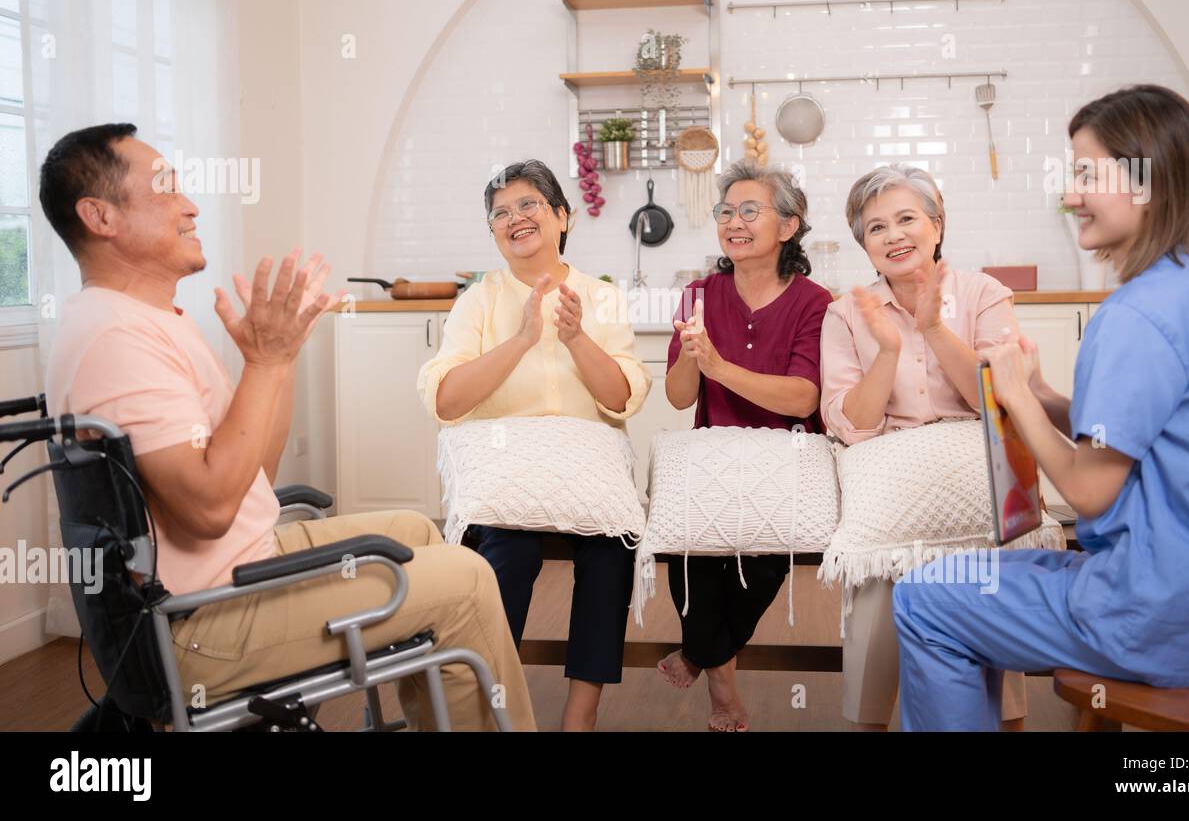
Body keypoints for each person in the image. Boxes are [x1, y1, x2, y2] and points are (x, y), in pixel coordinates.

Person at [41, 123, 535, 731]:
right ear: (100, 216)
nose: (191, 205)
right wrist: (265, 362)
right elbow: (210, 510)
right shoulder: (116, 339)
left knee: (415, 530)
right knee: (467, 580)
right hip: (205, 624)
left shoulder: (140, 320)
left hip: (233, 572)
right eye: (166, 189)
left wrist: (278, 360)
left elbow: (254, 478)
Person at [893, 85, 1189, 730]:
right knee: (968, 576)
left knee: (923, 600)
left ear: (1147, 182)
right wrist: (1046, 399)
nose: (1070, 196)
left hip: (1153, 619)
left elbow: (1090, 491)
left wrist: (1016, 395)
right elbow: (1150, 439)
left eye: (1084, 174)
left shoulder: (1135, 315)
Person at [417, 159, 650, 731]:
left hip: (587, 478)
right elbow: (446, 400)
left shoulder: (600, 298)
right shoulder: (477, 300)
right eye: (500, 212)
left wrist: (574, 337)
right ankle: (495, 707)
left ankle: (580, 715)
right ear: (493, 232)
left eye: (529, 205)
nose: (515, 218)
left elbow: (621, 397)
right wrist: (522, 339)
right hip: (507, 480)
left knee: (610, 550)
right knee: (510, 553)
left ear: (561, 217)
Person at [820, 162, 1028, 730]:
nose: (894, 236)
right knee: (877, 593)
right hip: (890, 479)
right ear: (864, 243)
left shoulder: (984, 293)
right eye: (876, 228)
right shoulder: (845, 313)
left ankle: (1002, 717)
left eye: (907, 218)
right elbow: (849, 424)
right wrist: (886, 353)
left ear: (937, 225)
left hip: (971, 472)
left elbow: (1000, 402)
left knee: (984, 599)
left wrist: (933, 327)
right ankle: (868, 720)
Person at [657, 159, 832, 731]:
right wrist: (691, 356)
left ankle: (701, 655)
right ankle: (723, 680)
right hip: (711, 465)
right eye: (725, 211)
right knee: (692, 562)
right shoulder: (698, 294)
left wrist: (721, 367)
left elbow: (803, 398)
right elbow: (681, 399)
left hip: (786, 472)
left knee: (754, 573)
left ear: (788, 226)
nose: (734, 220)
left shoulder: (814, 301)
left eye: (749, 210)